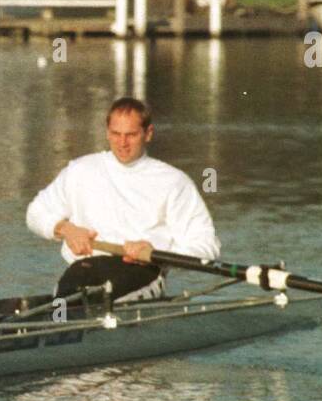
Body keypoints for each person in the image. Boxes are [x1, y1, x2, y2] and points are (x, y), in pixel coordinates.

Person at [25, 97, 219, 303]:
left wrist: (156, 252)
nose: (122, 143)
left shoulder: (174, 181)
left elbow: (206, 246)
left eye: (131, 135)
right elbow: (35, 212)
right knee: (66, 305)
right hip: (83, 269)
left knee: (94, 304)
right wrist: (65, 229)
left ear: (148, 133)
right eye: (116, 134)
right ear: (107, 132)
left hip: (141, 271)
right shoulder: (80, 170)